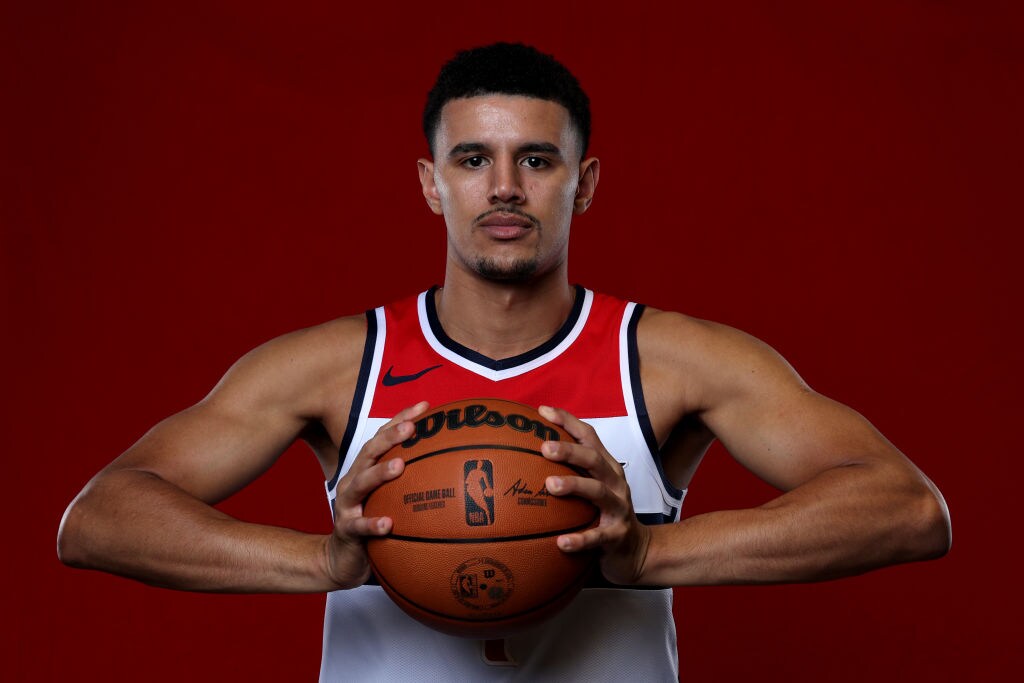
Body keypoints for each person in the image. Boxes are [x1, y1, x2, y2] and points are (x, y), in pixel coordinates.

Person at [57, 43, 951, 681]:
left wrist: (647, 551)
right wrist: (324, 562)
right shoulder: (336, 366)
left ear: (585, 182)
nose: (505, 187)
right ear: (429, 182)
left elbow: (907, 508)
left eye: (537, 159)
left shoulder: (670, 359)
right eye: (473, 158)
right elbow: (100, 519)